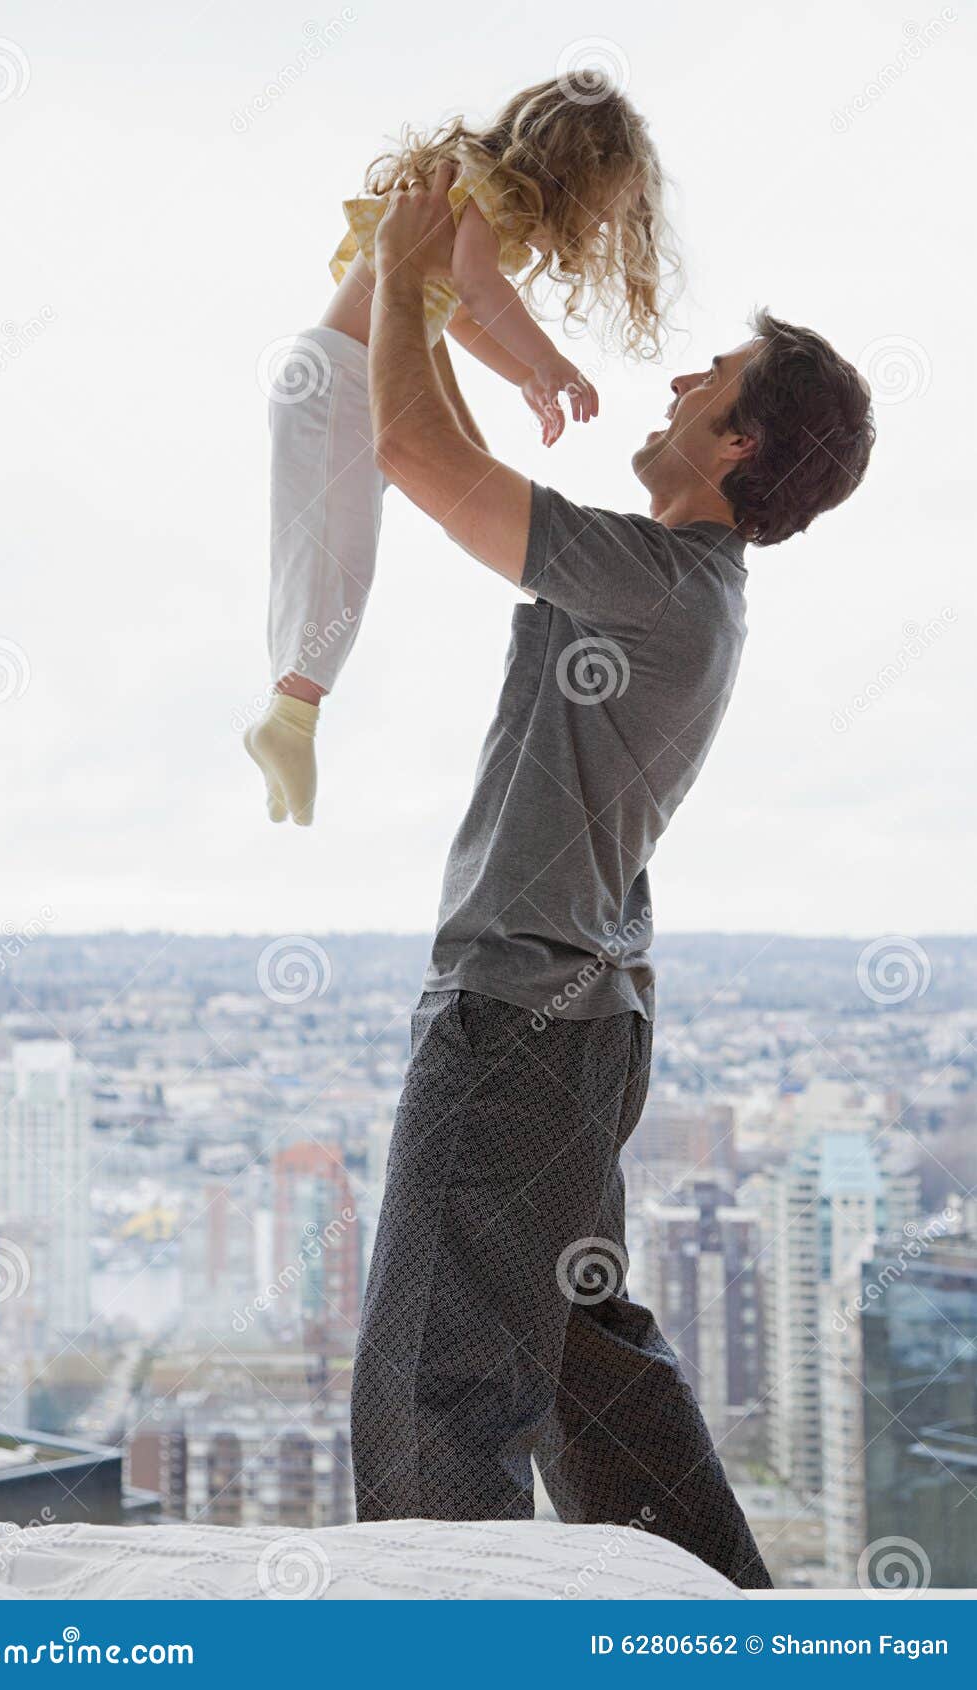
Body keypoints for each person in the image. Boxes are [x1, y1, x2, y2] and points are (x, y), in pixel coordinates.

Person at [349, 164, 875, 1589]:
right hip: (576, 1026)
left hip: (516, 1022)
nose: (678, 380)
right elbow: (449, 453)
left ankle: (435, 1657)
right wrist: (451, 305)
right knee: (584, 1362)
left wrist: (404, 270)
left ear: (734, 440)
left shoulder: (649, 581)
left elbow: (409, 451)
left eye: (708, 378)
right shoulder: (679, 588)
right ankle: (729, 1633)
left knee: (429, 1391)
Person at [244, 74, 675, 825]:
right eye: (603, 205)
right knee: (327, 556)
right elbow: (475, 290)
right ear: (577, 169)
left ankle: (291, 719)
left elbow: (457, 315)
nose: (600, 226)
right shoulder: (481, 187)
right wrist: (546, 363)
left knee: (339, 553)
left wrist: (520, 377)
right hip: (338, 378)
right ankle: (288, 720)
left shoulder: (477, 201)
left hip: (353, 383)